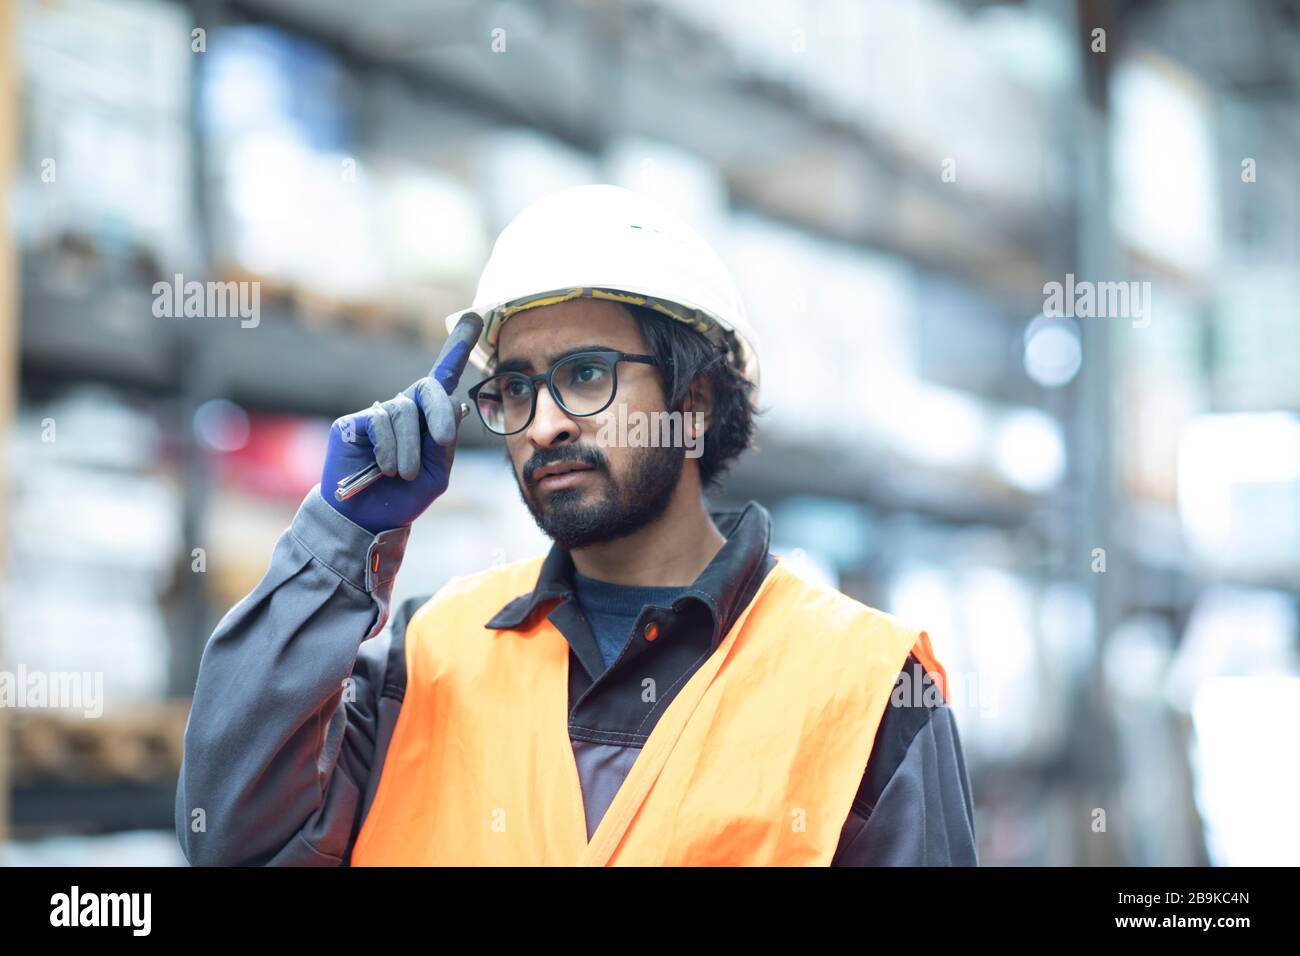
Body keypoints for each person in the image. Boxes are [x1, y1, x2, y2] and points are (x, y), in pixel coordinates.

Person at [175, 184, 977, 866]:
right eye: (516, 388)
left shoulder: (867, 689)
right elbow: (232, 836)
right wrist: (338, 540)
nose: (544, 423)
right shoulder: (427, 658)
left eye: (585, 375)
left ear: (691, 405)